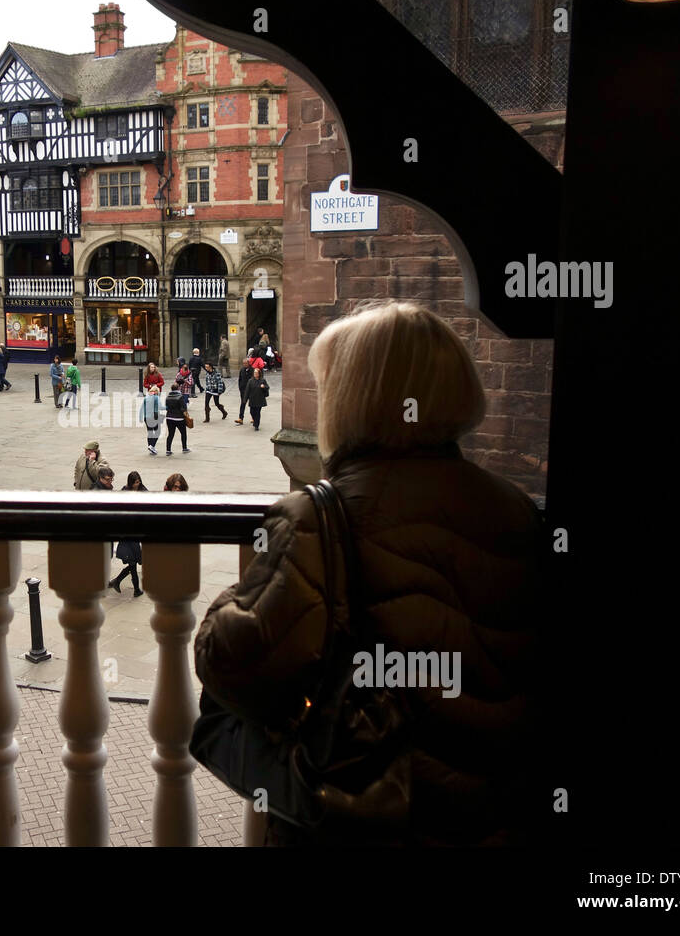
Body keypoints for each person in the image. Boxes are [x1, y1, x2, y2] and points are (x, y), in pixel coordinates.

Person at [194, 301, 544, 846]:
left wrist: (232, 598)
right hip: (489, 816)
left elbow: (234, 665)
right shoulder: (516, 509)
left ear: (353, 399)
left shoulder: (321, 515)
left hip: (364, 821)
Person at [109, 471, 148, 597]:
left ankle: (117, 581)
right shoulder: (125, 491)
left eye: (139, 481)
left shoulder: (143, 490)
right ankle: (135, 589)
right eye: (135, 482)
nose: (138, 484)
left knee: (134, 560)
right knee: (133, 561)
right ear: (131, 482)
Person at [164, 382, 190, 456]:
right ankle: (184, 448)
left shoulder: (167, 397)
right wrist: (187, 416)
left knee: (170, 434)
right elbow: (183, 409)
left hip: (169, 418)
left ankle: (168, 450)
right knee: (183, 433)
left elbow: (166, 408)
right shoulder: (180, 397)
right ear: (178, 388)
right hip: (179, 418)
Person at [140, 385, 164, 455]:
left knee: (150, 432)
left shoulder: (146, 397)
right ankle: (152, 446)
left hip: (146, 418)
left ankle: (151, 448)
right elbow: (160, 407)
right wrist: (168, 407)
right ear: (156, 391)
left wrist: (140, 417)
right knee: (157, 432)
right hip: (153, 417)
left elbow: (142, 408)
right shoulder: (156, 397)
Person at [246, 367, 270, 431]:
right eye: (254, 373)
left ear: (259, 374)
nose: (255, 374)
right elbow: (247, 390)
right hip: (252, 399)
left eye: (256, 373)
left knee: (257, 412)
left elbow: (267, 387)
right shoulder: (250, 381)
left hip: (260, 399)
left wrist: (264, 386)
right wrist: (245, 399)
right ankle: (255, 421)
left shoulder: (262, 380)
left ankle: (257, 425)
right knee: (252, 412)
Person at [235, 356, 255, 425]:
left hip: (251, 390)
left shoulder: (253, 370)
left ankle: (253, 417)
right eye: (243, 363)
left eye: (246, 363)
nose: (244, 365)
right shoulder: (242, 370)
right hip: (243, 390)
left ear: (249, 363)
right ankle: (241, 418)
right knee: (243, 403)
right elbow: (240, 379)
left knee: (252, 404)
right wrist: (240, 388)